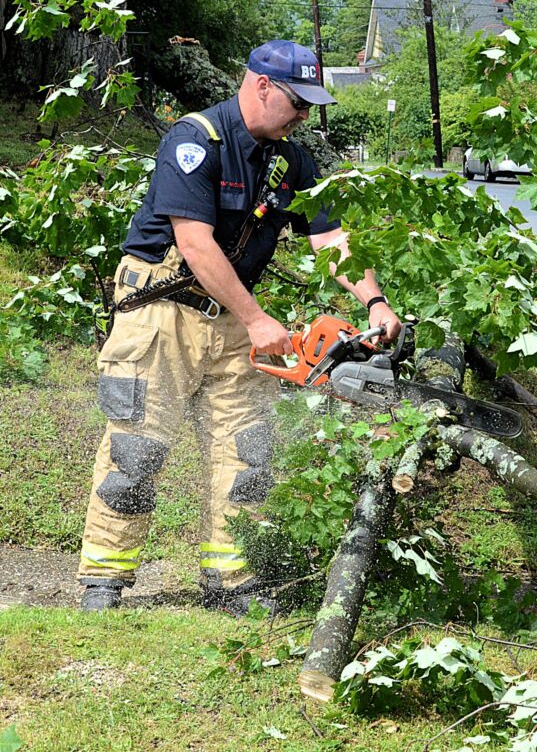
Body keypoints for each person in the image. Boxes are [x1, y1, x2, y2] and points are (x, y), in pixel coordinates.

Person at [77, 40, 401, 614]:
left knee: (249, 450)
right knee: (137, 448)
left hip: (232, 314)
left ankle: (231, 578)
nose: (304, 114)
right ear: (260, 86)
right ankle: (104, 578)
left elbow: (329, 239)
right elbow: (195, 244)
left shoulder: (292, 160)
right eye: (297, 102)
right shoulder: (196, 141)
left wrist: (373, 300)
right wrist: (257, 320)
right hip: (161, 308)